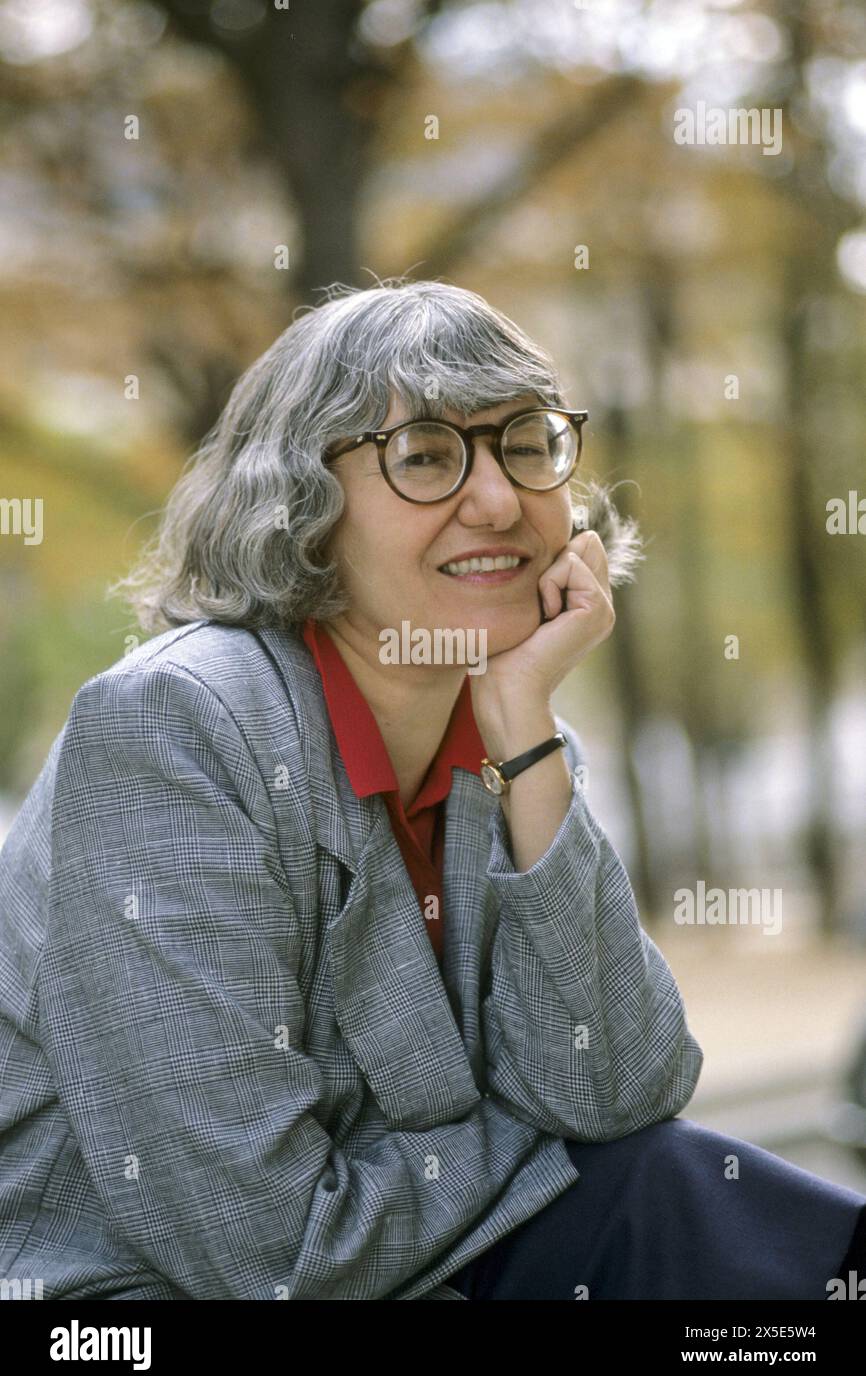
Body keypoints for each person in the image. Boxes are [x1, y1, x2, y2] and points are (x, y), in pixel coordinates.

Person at [0, 278, 863, 1301]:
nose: (497, 498)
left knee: (668, 1191)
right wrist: (527, 1139)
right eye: (424, 457)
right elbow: (268, 1251)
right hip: (123, 1305)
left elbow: (619, 1092)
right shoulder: (177, 725)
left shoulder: (510, 729)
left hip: (407, 1264)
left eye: (526, 444)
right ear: (304, 506)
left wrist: (528, 741)